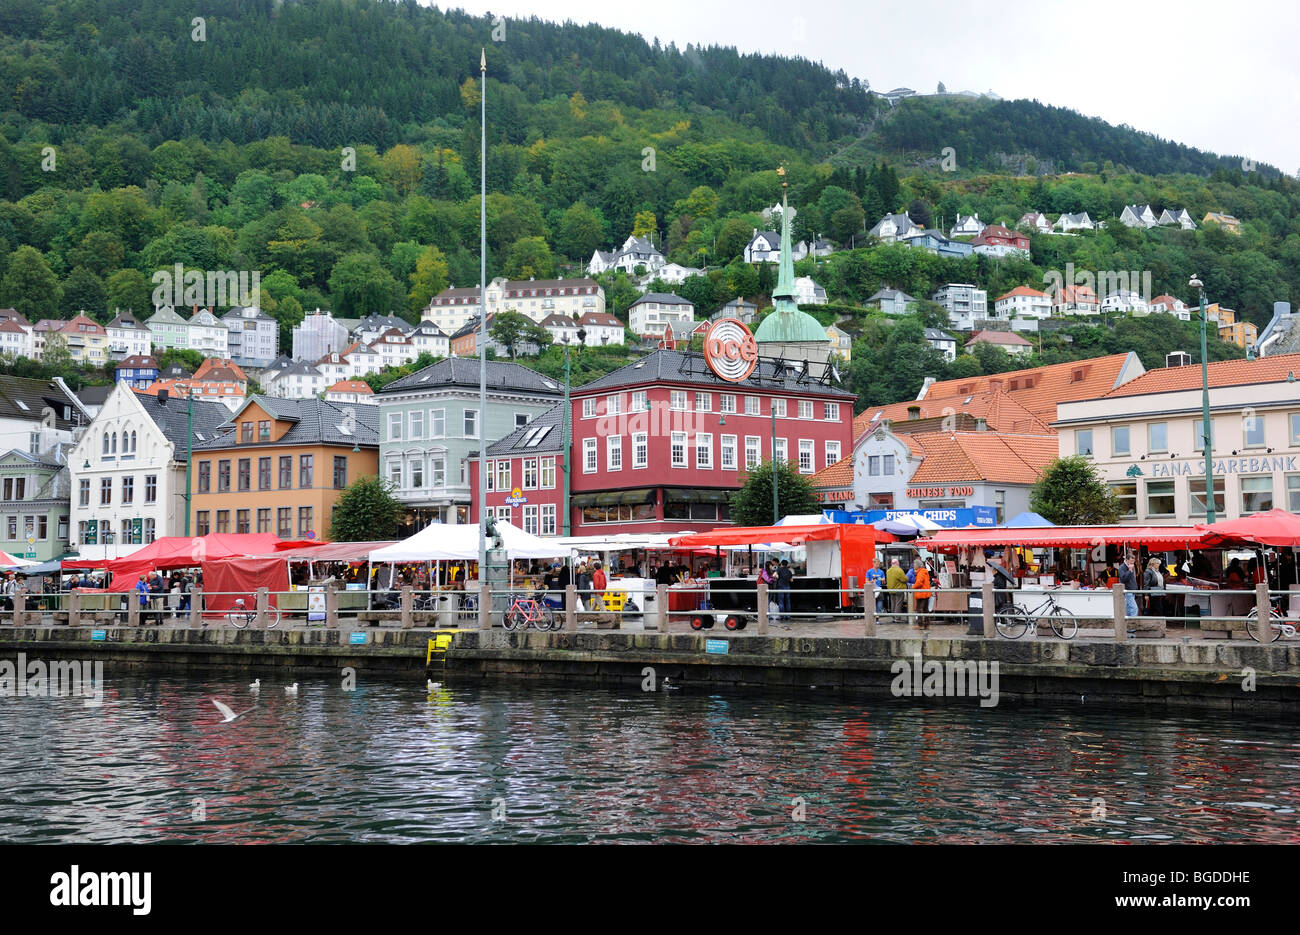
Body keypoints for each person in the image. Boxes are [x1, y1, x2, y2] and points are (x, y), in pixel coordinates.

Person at [1116, 554, 1139, 620]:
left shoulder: (1128, 566)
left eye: (1133, 561)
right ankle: (1133, 624)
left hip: (1131, 590)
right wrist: (1129, 570)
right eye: (1131, 561)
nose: (1132, 563)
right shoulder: (1122, 567)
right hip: (1127, 590)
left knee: (1128, 608)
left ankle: (1129, 626)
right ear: (1126, 560)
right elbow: (1123, 579)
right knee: (1134, 608)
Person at [912, 558, 932, 628]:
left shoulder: (920, 572)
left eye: (914, 564)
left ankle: (920, 624)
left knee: (919, 609)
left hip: (921, 593)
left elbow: (919, 583)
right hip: (925, 593)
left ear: (918, 565)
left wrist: (912, 588)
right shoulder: (924, 572)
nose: (913, 565)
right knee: (925, 609)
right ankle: (926, 624)